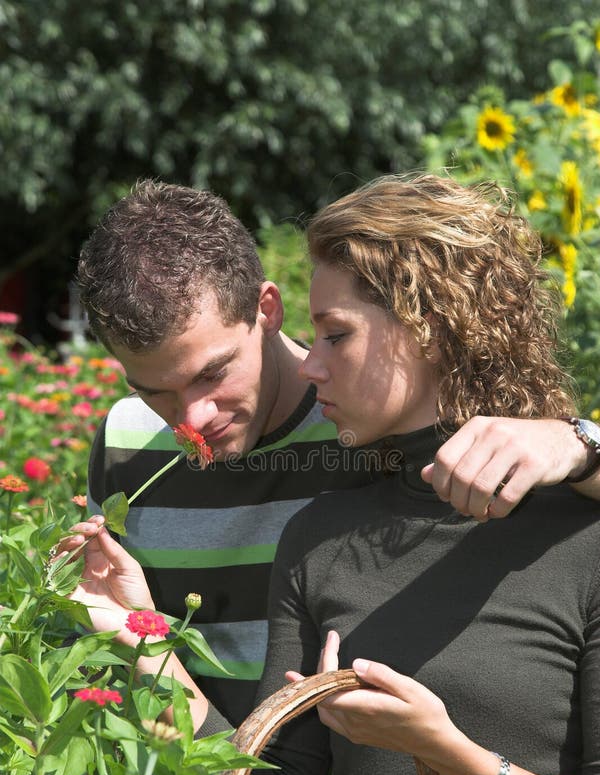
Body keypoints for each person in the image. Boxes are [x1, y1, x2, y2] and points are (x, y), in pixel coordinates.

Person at [75, 179, 600, 738]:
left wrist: (580, 441)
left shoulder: (368, 421)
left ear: (266, 309)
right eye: (155, 392)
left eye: (213, 374)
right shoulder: (127, 439)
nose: (191, 419)